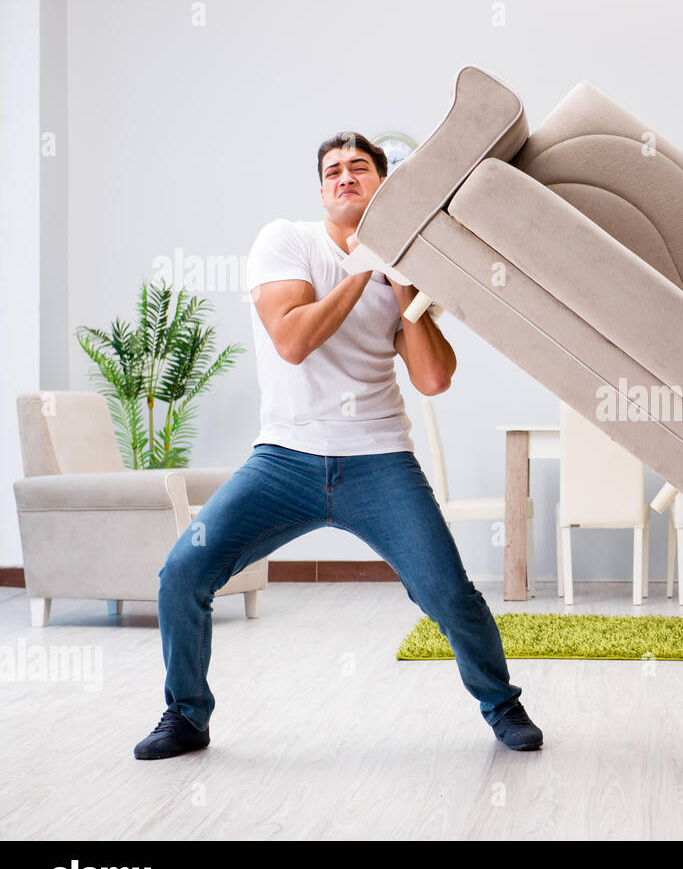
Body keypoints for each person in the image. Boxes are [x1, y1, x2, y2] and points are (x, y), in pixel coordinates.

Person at [133, 131, 542, 759]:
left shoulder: (409, 268)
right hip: (284, 461)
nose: (345, 176)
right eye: (332, 171)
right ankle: (186, 716)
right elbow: (293, 341)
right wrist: (361, 268)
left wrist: (402, 285)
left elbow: (433, 379)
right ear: (321, 190)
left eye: (359, 168)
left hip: (380, 461)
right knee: (183, 570)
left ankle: (503, 707)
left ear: (385, 185)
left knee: (449, 593)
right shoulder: (287, 242)